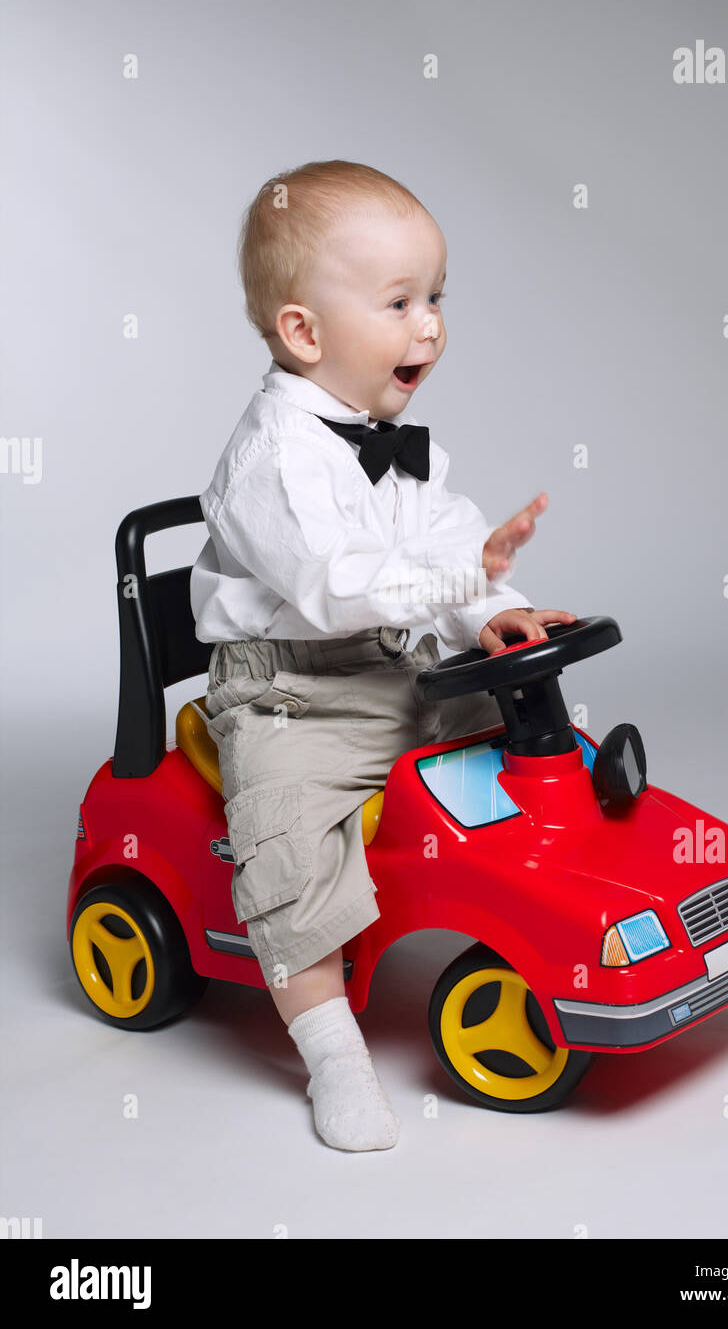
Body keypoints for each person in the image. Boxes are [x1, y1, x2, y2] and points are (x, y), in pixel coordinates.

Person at [190, 160, 577, 1151]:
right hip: (286, 689)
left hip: (389, 662)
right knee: (290, 837)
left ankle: (559, 899)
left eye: (437, 297)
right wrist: (451, 583)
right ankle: (332, 1054)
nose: (431, 325)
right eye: (400, 302)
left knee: (515, 737)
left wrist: (492, 608)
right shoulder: (273, 454)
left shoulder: (397, 439)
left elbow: (452, 545)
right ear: (304, 332)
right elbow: (330, 583)